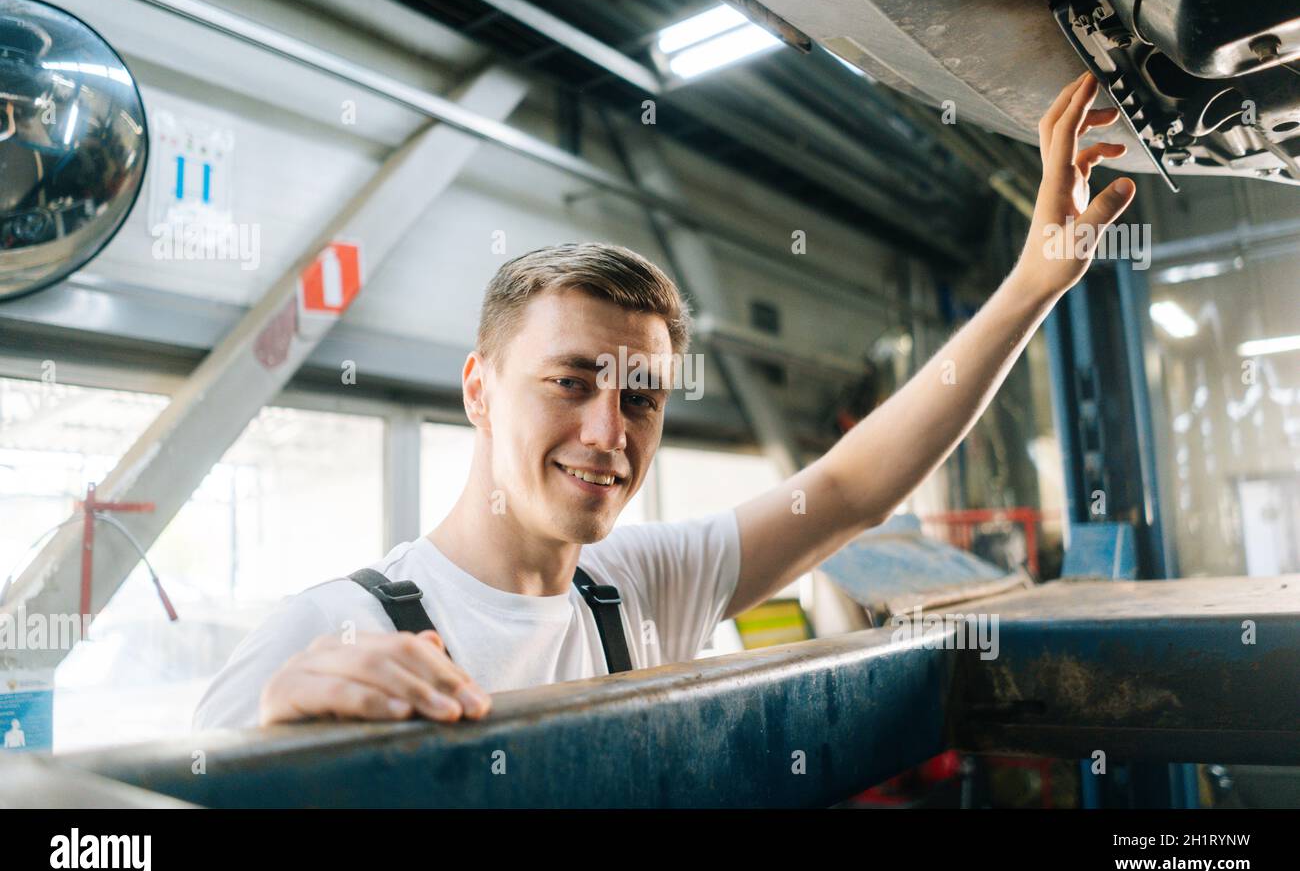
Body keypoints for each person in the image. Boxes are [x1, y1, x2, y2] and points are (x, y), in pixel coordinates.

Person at [193, 73, 1132, 731]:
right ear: (479, 391)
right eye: (569, 381)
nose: (609, 432)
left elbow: (848, 491)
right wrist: (276, 739)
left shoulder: (639, 588)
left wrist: (1030, 287)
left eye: (643, 396)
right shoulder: (325, 636)